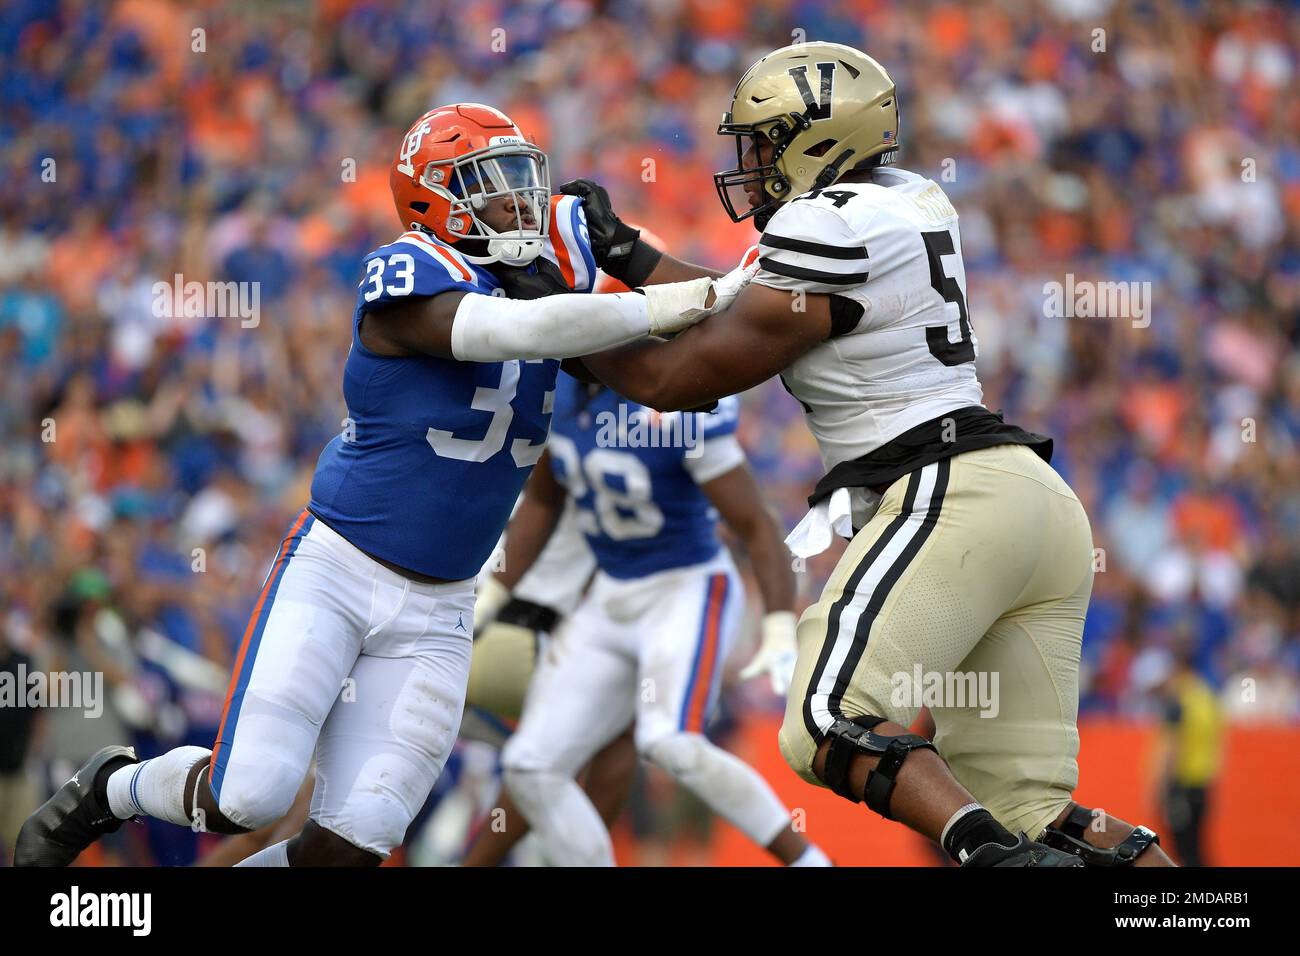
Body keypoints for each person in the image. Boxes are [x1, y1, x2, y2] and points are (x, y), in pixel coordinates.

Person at [15, 102, 744, 868]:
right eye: (489, 182)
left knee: (349, 851)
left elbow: (694, 367)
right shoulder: (411, 272)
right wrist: (655, 302)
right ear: (434, 197)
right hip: (340, 568)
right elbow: (511, 332)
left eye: (520, 176)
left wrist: (631, 253)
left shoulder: (548, 257)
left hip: (441, 606)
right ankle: (114, 789)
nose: (518, 198)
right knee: (248, 797)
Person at [511, 42, 1172, 866]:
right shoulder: (905, 200)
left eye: (762, 142)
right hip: (1032, 505)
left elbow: (682, 376)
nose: (748, 164)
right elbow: (740, 305)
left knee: (826, 718)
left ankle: (987, 860)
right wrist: (628, 252)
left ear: (815, 140)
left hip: (948, 494)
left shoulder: (823, 225)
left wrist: (552, 321)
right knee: (1031, 809)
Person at [489, 374, 829, 866]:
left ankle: (807, 860)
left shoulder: (671, 395)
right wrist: (495, 593)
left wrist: (777, 623)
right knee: (528, 766)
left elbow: (756, 521)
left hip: (685, 586)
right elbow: (544, 498)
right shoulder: (559, 393)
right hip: (611, 590)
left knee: (668, 741)